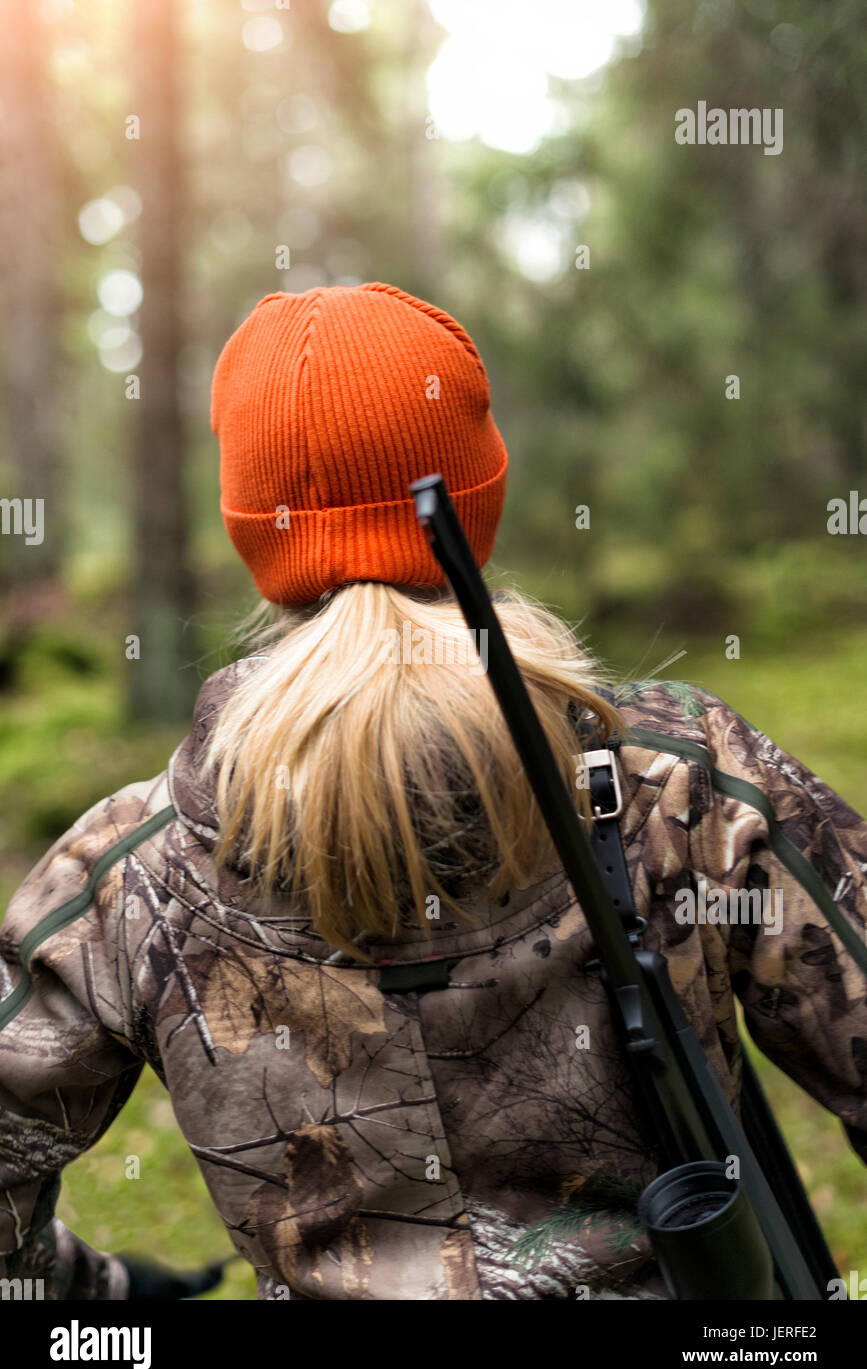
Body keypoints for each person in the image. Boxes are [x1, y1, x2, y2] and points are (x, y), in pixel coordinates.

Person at [1, 281, 865, 1301]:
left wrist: (97, 1301)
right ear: (479, 496)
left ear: (252, 531)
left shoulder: (128, 870)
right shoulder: (680, 777)